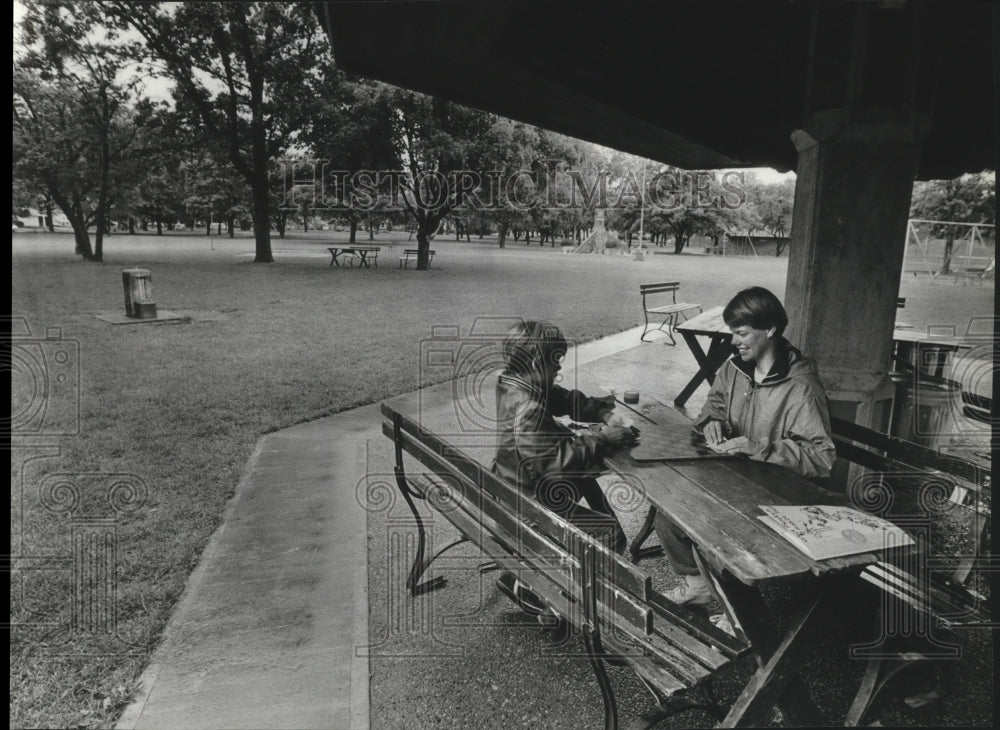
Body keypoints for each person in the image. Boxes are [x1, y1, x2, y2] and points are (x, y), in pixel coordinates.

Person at [656, 287, 837, 606]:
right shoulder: (734, 367)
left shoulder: (801, 388)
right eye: (732, 333)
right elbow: (715, 402)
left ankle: (740, 615)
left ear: (769, 330)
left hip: (778, 493)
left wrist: (760, 448)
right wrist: (713, 419)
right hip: (735, 477)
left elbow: (822, 458)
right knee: (669, 512)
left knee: (722, 534)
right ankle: (698, 584)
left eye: (741, 333)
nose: (734, 341)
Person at [492, 320, 638, 613]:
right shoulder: (528, 406)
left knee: (586, 479)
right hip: (529, 502)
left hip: (510, 488)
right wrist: (601, 437)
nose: (559, 368)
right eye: (555, 361)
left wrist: (602, 412)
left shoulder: (517, 383)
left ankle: (527, 579)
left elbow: (563, 399)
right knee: (609, 534)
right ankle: (554, 599)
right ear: (535, 362)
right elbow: (553, 465)